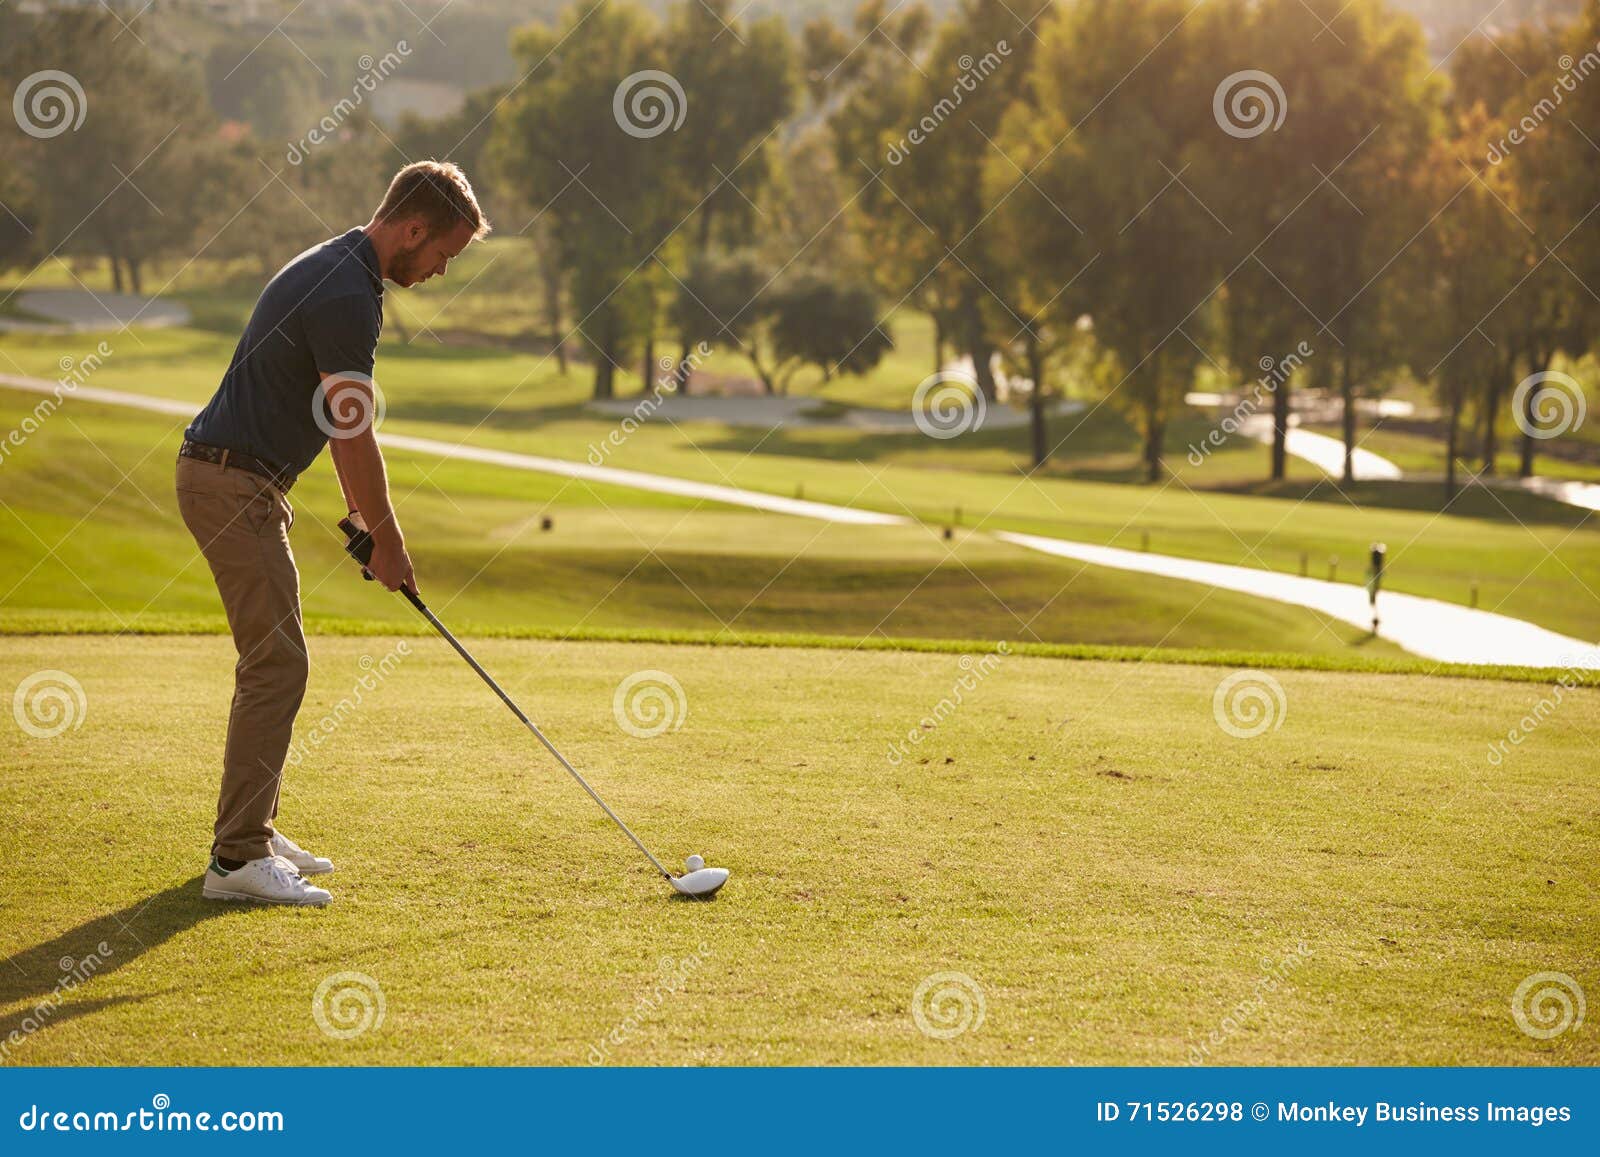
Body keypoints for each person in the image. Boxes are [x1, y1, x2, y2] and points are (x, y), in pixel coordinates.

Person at [176, 161, 490, 905]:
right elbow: (354, 429)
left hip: (240, 478)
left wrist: (361, 516)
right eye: (443, 254)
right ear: (412, 229)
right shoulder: (349, 292)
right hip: (230, 482)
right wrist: (388, 537)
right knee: (277, 665)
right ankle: (236, 859)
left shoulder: (341, 266)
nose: (440, 271)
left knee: (278, 659)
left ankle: (254, 825)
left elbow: (326, 417)